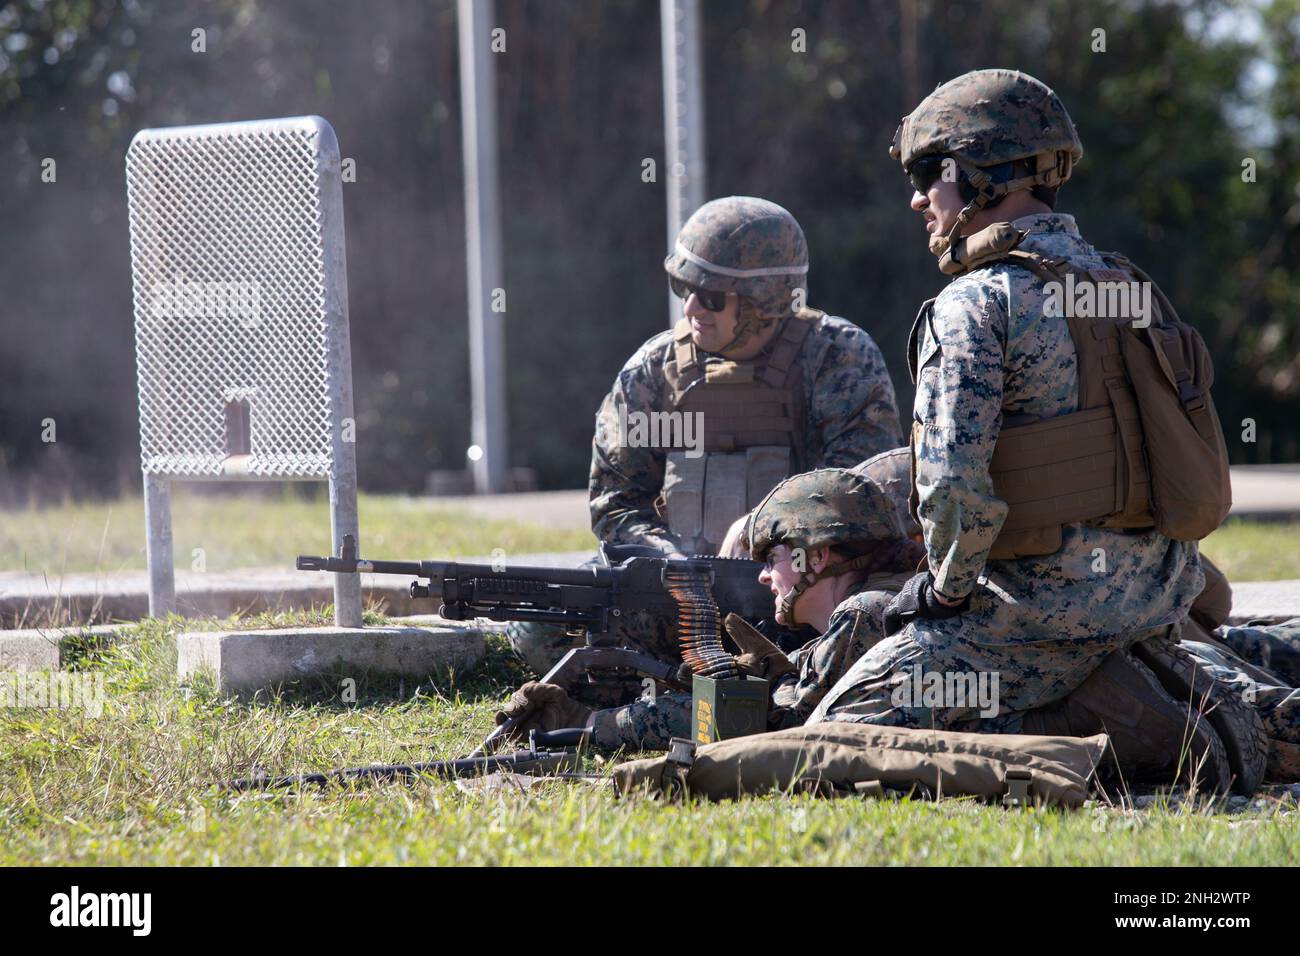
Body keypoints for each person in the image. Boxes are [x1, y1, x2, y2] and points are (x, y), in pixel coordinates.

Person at [808, 69, 1212, 734]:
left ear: (978, 176)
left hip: (1029, 630)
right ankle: (1148, 699)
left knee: (838, 726)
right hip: (1155, 611)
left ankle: (1092, 728)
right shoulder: (1129, 287)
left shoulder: (976, 304)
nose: (917, 201)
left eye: (925, 175)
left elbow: (955, 487)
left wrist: (939, 593)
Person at [508, 196, 901, 676]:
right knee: (541, 626)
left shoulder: (837, 358)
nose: (692, 306)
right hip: (677, 593)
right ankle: (668, 687)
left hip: (799, 589)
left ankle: (777, 678)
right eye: (683, 287)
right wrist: (667, 563)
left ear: (765, 303)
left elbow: (860, 494)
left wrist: (762, 526)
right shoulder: (655, 371)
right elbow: (617, 501)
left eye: (712, 296)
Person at [496, 468, 922, 750]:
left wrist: (592, 726)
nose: (763, 576)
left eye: (772, 558)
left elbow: (763, 727)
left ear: (817, 557)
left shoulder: (866, 613)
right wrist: (772, 672)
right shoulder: (887, 597)